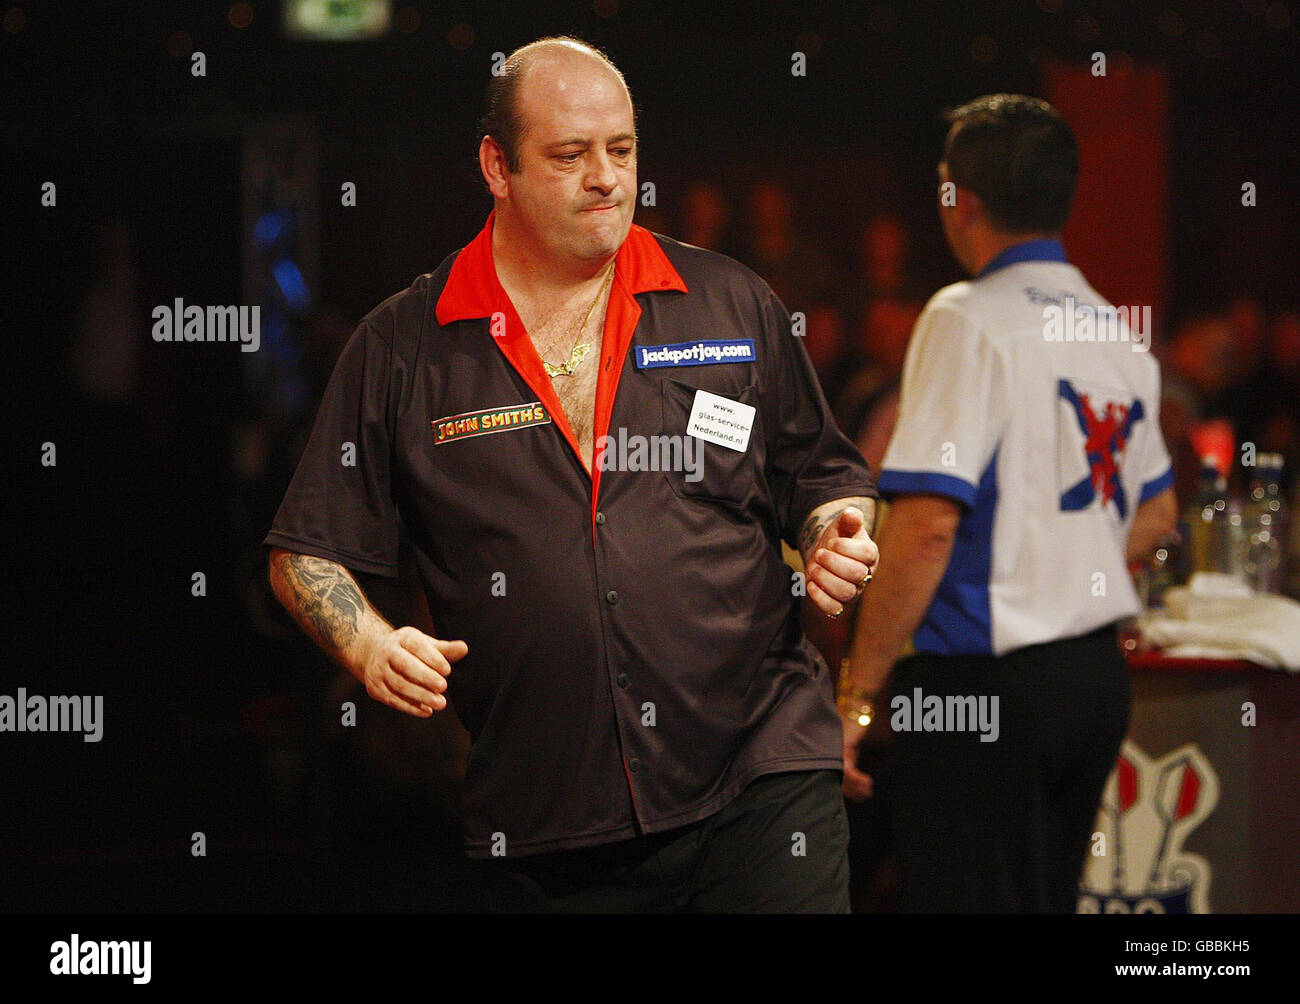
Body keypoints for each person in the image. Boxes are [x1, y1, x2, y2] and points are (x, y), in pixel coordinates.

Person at [265, 36, 880, 913]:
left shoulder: (730, 301)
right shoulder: (405, 346)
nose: (607, 177)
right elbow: (304, 553)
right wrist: (369, 643)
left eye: (622, 150)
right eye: (570, 155)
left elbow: (824, 478)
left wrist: (835, 534)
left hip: (763, 774)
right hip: (548, 818)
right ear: (496, 166)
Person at [839, 94, 1178, 913]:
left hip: (978, 687)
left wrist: (855, 698)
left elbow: (924, 530)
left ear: (962, 201)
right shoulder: (1116, 332)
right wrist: (1062, 570)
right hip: (1093, 681)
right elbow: (1159, 516)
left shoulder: (965, 318)